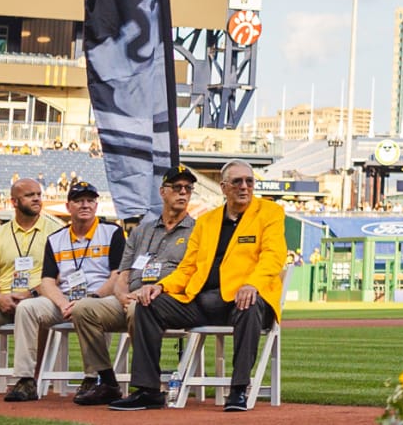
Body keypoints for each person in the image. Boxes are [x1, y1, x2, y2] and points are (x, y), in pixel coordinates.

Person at [110, 161, 287, 411]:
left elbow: (273, 256)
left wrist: (252, 284)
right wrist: (161, 287)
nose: (245, 187)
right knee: (147, 305)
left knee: (248, 303)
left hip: (246, 300)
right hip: (202, 302)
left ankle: (238, 390)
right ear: (224, 187)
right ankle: (149, 390)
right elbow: (188, 267)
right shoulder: (207, 221)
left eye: (249, 181)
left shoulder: (270, 213)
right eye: (237, 182)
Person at [70, 166, 198, 404]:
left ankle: (146, 387)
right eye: (177, 187)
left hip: (167, 301)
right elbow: (123, 272)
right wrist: (121, 295)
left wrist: (147, 294)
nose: (183, 193)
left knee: (140, 308)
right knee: (83, 309)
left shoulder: (198, 231)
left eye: (188, 189)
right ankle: (107, 379)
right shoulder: (142, 231)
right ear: (162, 192)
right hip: (128, 299)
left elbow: (193, 274)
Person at [7, 183, 128, 403]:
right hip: (64, 299)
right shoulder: (56, 239)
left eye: (90, 200)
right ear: (68, 206)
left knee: (91, 309)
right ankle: (25, 379)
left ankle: (93, 378)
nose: (85, 205)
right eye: (79, 201)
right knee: (26, 308)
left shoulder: (112, 232)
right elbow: (47, 281)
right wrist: (63, 304)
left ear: (96, 204)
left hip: (99, 297)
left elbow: (117, 276)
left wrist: (93, 298)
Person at [0, 178, 65, 396]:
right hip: (2, 299)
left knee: (32, 307)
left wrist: (30, 293)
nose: (36, 199)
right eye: (30, 195)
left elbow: (61, 275)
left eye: (38, 194)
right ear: (14, 202)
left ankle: (29, 380)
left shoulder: (57, 231)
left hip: (40, 296)